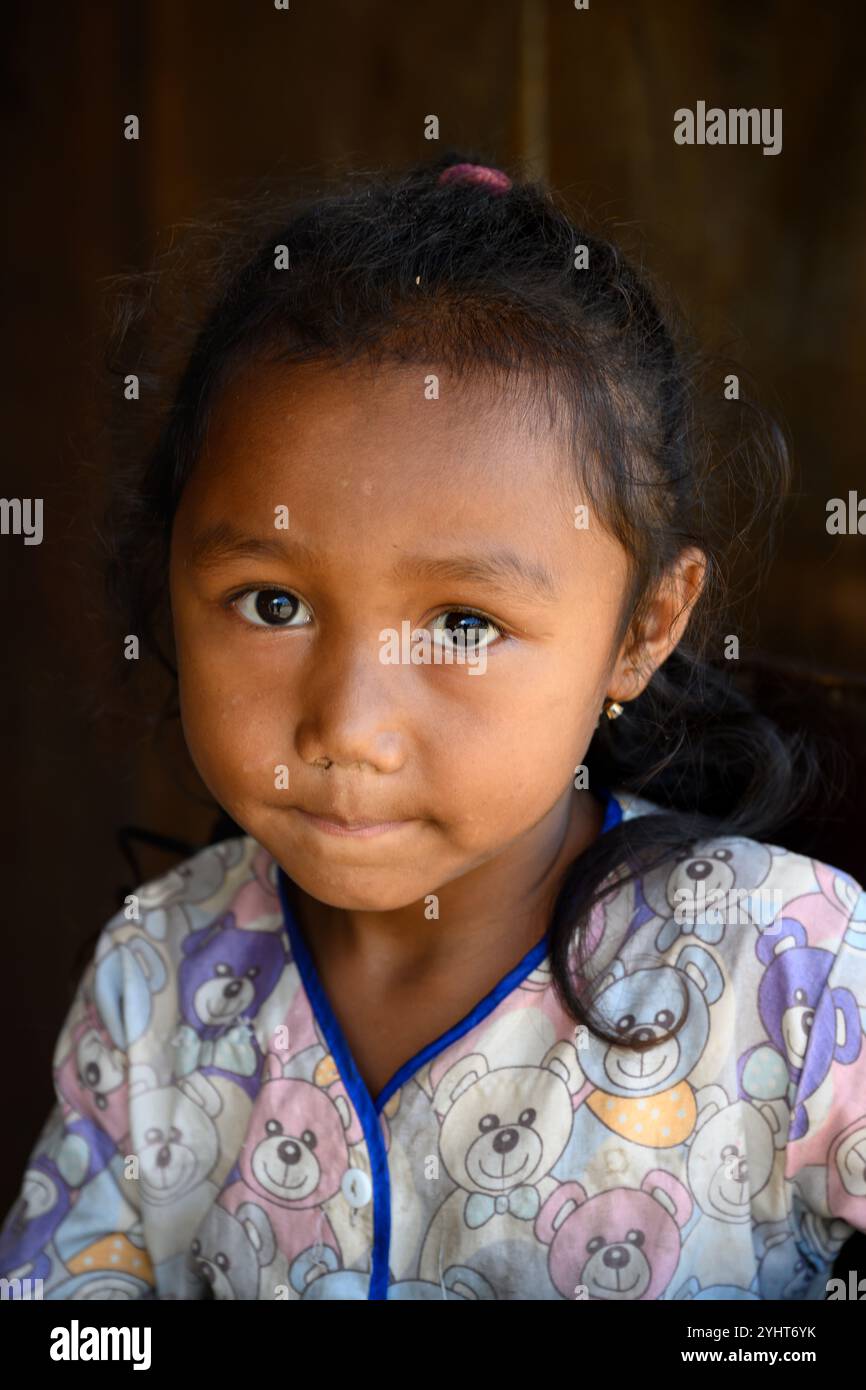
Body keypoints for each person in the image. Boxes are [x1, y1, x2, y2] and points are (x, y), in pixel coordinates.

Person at [1, 151, 864, 1302]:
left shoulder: (789, 970)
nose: (348, 726)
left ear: (641, 629)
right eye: (273, 604)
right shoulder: (153, 981)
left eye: (462, 621)